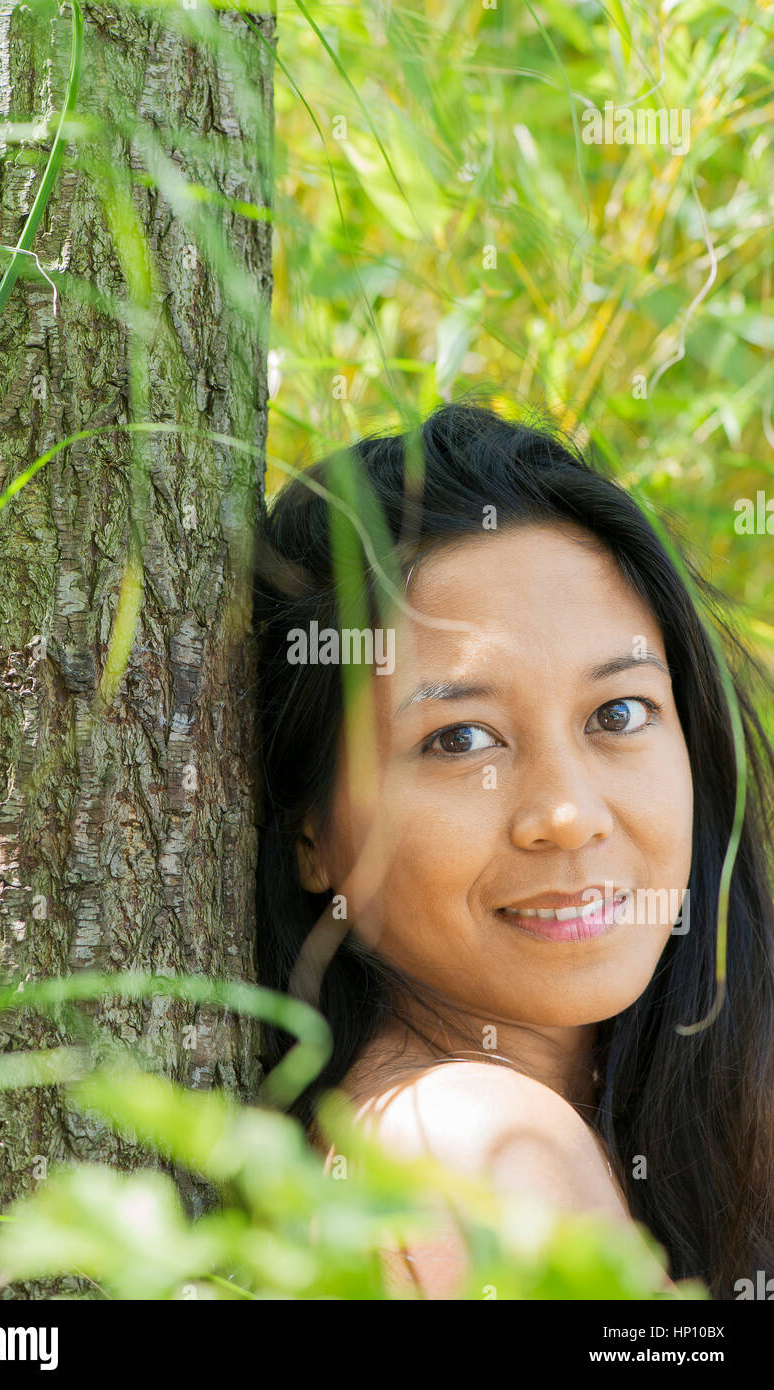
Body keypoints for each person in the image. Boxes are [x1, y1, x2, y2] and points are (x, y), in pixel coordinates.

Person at [252, 397, 774, 1298]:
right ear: (310, 835)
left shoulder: (680, 1105)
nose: (567, 815)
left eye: (618, 714)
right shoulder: (480, 1142)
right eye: (459, 738)